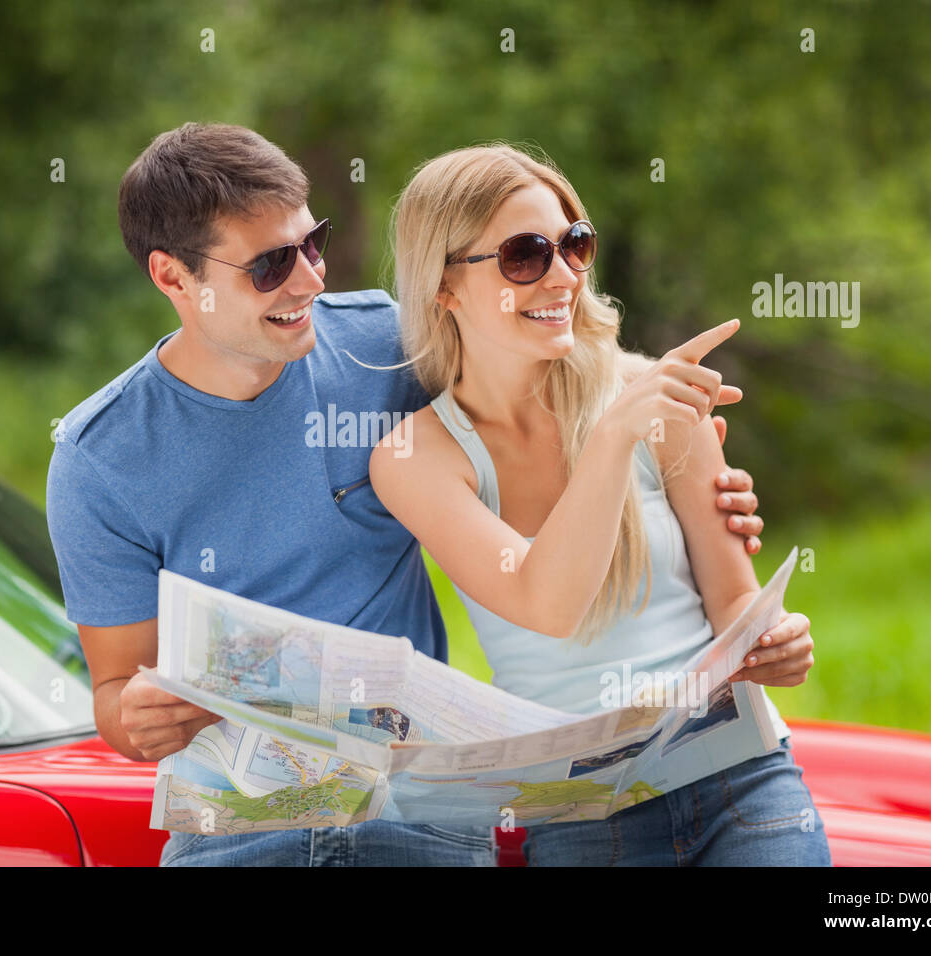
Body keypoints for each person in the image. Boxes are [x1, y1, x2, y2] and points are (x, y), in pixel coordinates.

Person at [45, 123, 769, 867]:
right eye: (269, 266)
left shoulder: (392, 346)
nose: (309, 280)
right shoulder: (98, 461)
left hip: (415, 821)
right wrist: (136, 719)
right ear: (173, 278)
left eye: (312, 244)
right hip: (240, 836)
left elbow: (558, 387)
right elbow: (115, 690)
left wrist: (701, 486)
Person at [368, 142, 831, 866]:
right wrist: (615, 435)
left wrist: (776, 640)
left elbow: (736, 604)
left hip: (739, 779)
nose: (562, 276)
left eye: (574, 245)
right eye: (525, 255)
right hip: (583, 813)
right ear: (444, 288)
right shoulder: (414, 456)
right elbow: (545, 603)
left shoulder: (658, 396)